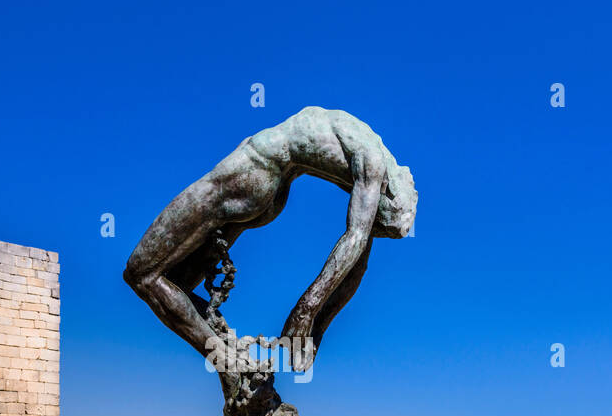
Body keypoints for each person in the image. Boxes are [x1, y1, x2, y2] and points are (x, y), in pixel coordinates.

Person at [124, 106, 416, 371]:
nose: (373, 227)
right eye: (378, 225)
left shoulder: (372, 152)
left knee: (141, 273)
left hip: (255, 173)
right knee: (176, 286)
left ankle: (229, 369)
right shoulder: (372, 163)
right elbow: (357, 243)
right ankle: (233, 363)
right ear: (390, 196)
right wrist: (308, 317)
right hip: (265, 189)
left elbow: (357, 254)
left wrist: (311, 323)